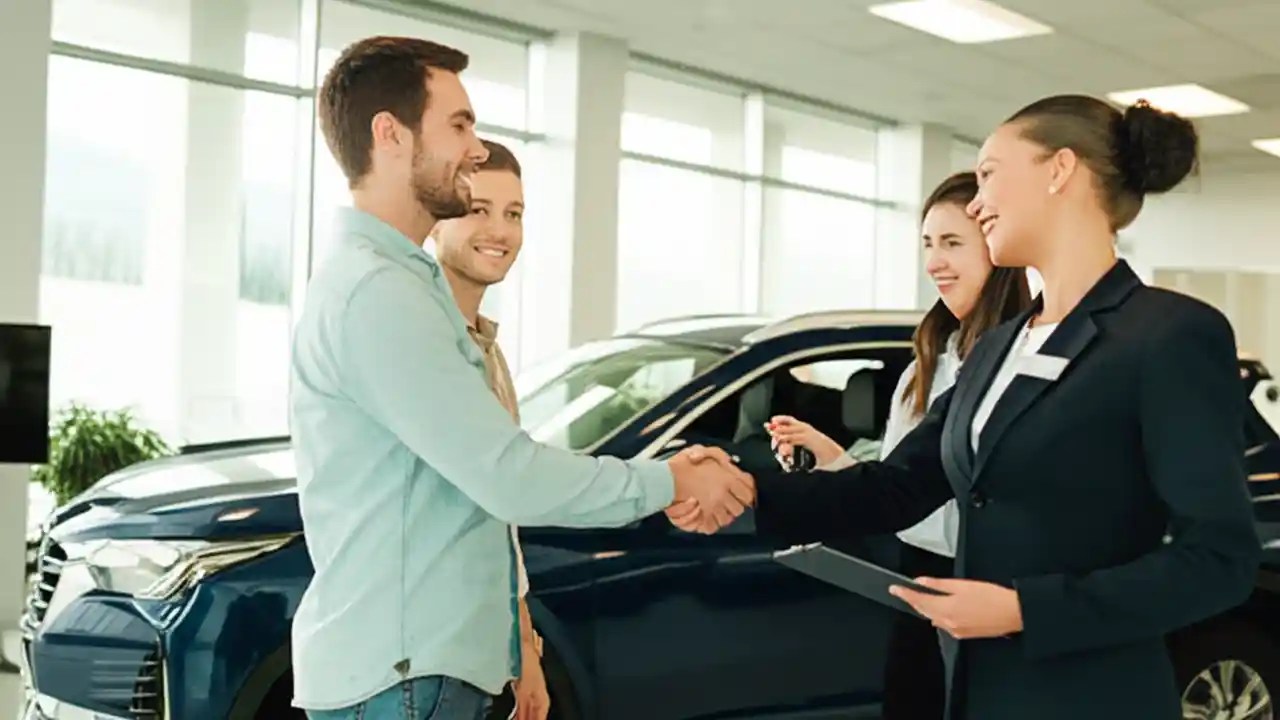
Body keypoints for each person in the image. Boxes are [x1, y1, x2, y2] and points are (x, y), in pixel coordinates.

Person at [671, 94, 1261, 720]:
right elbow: (900, 485)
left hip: (1091, 697)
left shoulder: (1166, 334)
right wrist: (747, 491)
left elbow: (1218, 560)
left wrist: (1024, 610)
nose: (977, 203)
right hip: (975, 691)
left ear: (1059, 170)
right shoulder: (998, 346)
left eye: (988, 174)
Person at [290, 36, 752, 720]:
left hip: (420, 670)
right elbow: (509, 476)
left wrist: (517, 642)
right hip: (405, 677)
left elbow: (472, 500)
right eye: (459, 124)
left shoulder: (395, 287)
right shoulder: (379, 295)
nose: (475, 149)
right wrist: (673, 480)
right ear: (390, 136)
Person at [765, 170, 1031, 719]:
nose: (934, 261)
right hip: (917, 576)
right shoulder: (930, 357)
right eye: (928, 244)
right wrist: (833, 458)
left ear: (998, 247)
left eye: (953, 243)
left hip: (987, 585)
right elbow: (898, 484)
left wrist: (752, 492)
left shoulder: (1022, 361)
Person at [429, 138, 548, 720]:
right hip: (424, 661)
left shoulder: (487, 350)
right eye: (480, 210)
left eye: (514, 213)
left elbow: (500, 520)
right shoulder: (423, 339)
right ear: (436, 218)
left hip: (476, 656)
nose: (500, 231)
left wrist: (523, 645)